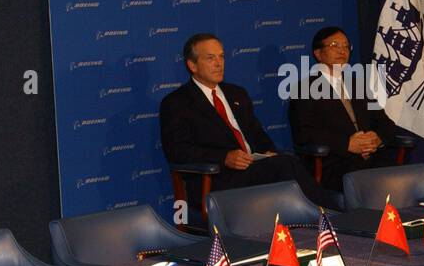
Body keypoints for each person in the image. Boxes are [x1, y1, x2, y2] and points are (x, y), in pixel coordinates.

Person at [159, 33, 335, 208]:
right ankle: (329, 214)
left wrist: (268, 152)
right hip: (217, 177)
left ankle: (323, 216)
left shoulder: (237, 94)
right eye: (210, 58)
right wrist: (224, 157)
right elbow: (178, 151)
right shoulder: (177, 103)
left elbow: (257, 134)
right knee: (285, 165)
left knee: (283, 161)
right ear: (192, 65)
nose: (219, 63)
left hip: (254, 167)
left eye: (221, 57)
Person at [289, 26, 399, 191]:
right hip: (335, 162)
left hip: (372, 157)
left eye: (346, 46)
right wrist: (346, 144)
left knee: (402, 176)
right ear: (318, 53)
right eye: (335, 45)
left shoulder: (359, 86)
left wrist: (376, 138)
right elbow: (303, 134)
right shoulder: (304, 89)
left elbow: (386, 123)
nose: (342, 51)